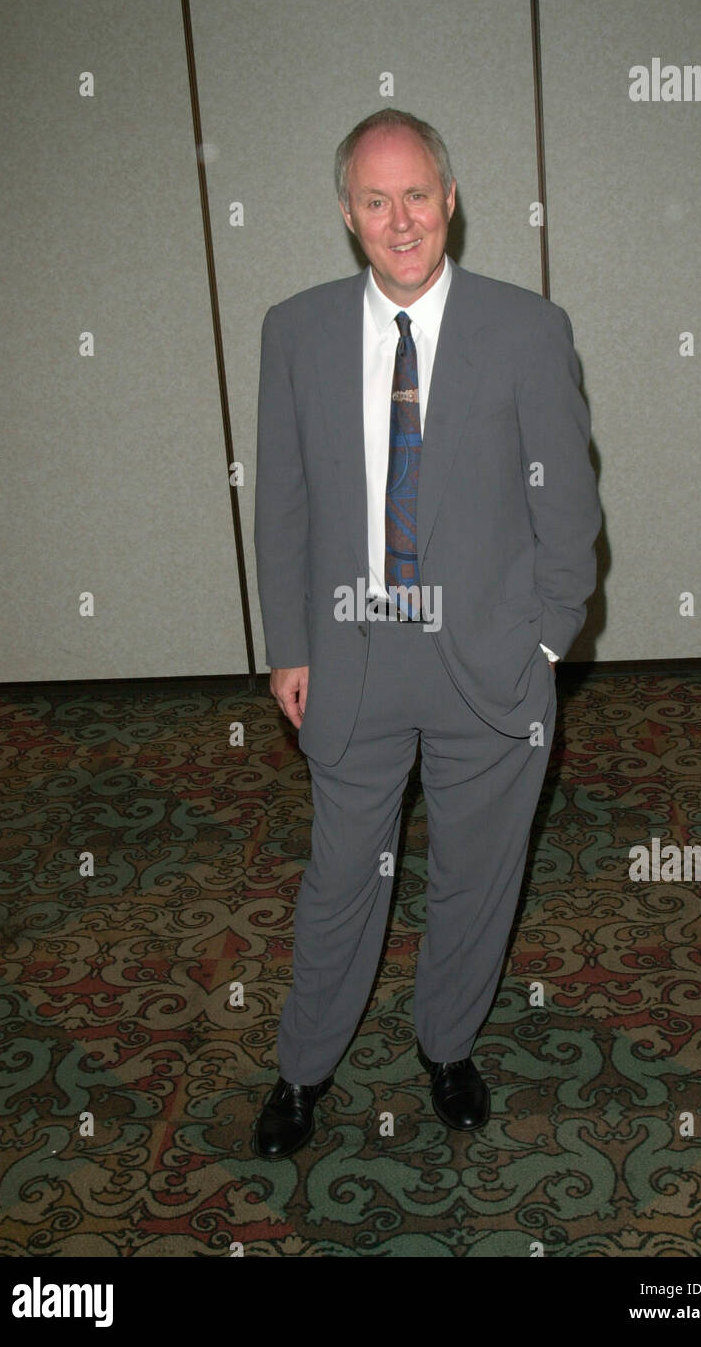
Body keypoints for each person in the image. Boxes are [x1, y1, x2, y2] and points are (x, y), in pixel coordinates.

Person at [252, 108, 600, 1159]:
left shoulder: (529, 328)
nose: (400, 220)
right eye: (375, 200)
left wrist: (542, 641)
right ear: (349, 215)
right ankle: (303, 1067)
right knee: (343, 875)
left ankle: (448, 1044)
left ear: (449, 200)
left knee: (477, 873)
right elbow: (284, 502)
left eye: (417, 195)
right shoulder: (297, 329)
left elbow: (571, 508)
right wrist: (290, 645)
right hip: (354, 649)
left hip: (489, 663)